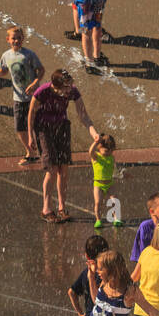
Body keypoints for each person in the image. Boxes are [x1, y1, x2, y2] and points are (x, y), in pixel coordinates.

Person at [27, 68, 99, 222]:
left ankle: (61, 207)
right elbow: (31, 113)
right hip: (44, 129)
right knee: (52, 168)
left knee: (63, 168)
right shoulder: (43, 92)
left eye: (70, 86)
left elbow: (83, 114)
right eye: (66, 87)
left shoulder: (72, 91)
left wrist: (93, 132)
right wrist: (30, 136)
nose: (69, 90)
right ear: (55, 86)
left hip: (62, 127)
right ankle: (46, 208)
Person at [0, 25, 44, 162]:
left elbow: (41, 70)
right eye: (13, 38)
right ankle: (30, 153)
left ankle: (44, 152)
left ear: (23, 39)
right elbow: (4, 70)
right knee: (20, 128)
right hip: (18, 98)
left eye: (19, 38)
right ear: (8, 39)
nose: (16, 41)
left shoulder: (29, 54)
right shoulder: (6, 55)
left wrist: (35, 83)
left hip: (33, 98)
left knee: (37, 125)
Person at [89, 131, 121, 229]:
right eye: (106, 151)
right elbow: (90, 151)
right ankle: (98, 219)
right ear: (99, 147)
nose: (108, 153)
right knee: (98, 202)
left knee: (115, 201)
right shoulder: (96, 157)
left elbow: (114, 170)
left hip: (110, 183)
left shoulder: (111, 157)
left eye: (111, 151)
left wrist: (121, 174)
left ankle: (116, 219)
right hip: (98, 184)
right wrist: (95, 142)